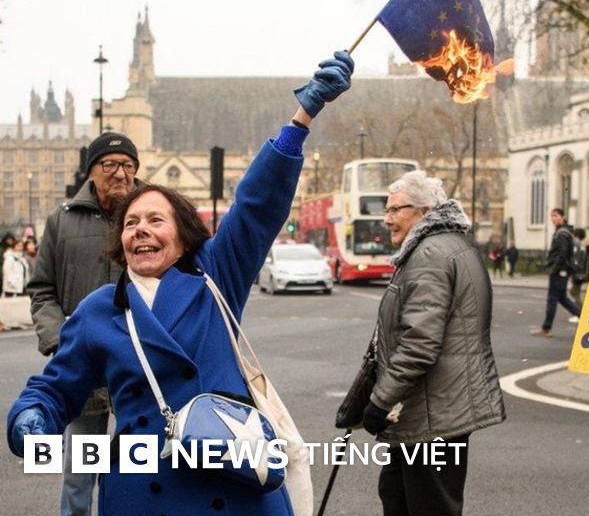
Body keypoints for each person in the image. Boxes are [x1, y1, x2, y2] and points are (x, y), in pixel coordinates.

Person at [8, 50, 354, 515]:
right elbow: (55, 388)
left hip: (231, 482)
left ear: (184, 233)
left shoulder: (214, 275)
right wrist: (31, 416)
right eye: (131, 223)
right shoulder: (99, 310)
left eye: (155, 220)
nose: (140, 230)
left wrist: (301, 118)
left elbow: (255, 207)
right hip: (142, 491)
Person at [364, 169, 506, 516]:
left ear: (424, 211)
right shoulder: (451, 245)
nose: (387, 219)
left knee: (425, 505)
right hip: (437, 409)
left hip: (433, 415)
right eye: (387, 210)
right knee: (398, 495)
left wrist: (380, 401)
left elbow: (420, 343)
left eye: (396, 209)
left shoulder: (429, 255)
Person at [24, 131, 142, 516]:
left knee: (138, 473)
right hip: (84, 370)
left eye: (128, 165)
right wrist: (62, 342)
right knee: (78, 475)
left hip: (137, 368)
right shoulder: (62, 220)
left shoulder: (151, 214)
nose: (120, 173)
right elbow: (42, 289)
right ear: (91, 170)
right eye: (110, 165)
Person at [531, 208, 580, 337]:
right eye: (552, 216)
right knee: (562, 299)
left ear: (563, 217)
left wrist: (554, 268)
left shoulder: (562, 233)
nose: (553, 219)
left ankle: (546, 328)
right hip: (562, 270)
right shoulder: (564, 231)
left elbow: (562, 254)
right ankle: (585, 318)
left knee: (552, 299)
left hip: (560, 271)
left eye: (556, 216)